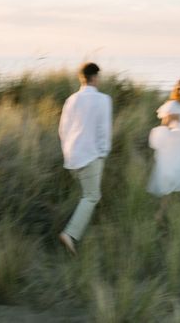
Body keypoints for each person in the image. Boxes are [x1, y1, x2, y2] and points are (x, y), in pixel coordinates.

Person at [58, 62, 112, 254]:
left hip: (72, 155)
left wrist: (67, 151)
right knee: (91, 196)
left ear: (81, 78)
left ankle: (82, 226)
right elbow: (103, 130)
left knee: (84, 194)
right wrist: (103, 153)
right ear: (95, 77)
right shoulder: (103, 100)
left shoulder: (71, 99)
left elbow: (63, 129)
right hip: (91, 155)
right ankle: (69, 234)